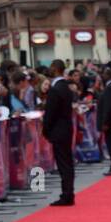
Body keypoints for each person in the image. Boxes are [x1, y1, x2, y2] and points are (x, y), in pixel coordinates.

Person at [42, 59, 76, 207]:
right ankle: (69, 193)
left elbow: (51, 113)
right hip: (66, 128)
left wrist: (45, 130)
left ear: (55, 69)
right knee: (67, 162)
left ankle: (67, 194)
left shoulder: (56, 89)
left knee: (63, 163)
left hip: (58, 130)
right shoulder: (66, 87)